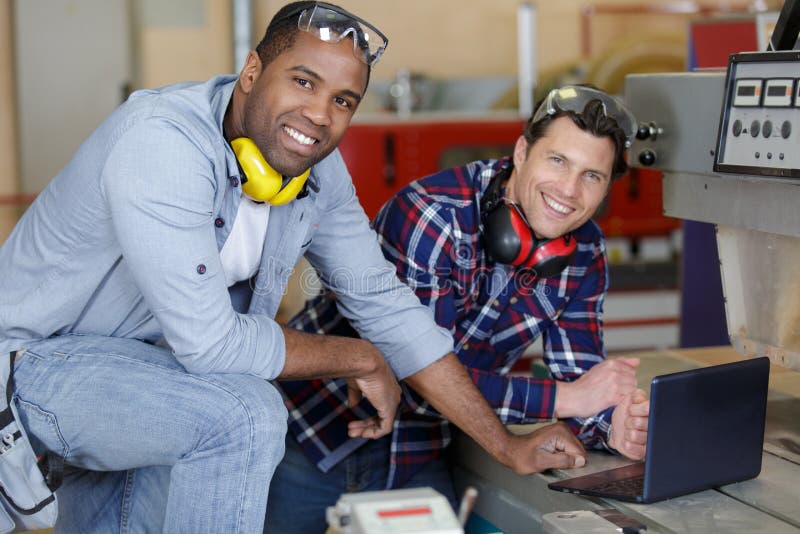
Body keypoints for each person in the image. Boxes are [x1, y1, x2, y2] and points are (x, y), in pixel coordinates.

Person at [0, 2, 587, 532]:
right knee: (245, 413)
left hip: (157, 381)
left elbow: (385, 306)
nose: (319, 114)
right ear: (251, 72)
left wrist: (505, 445)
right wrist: (359, 357)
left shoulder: (316, 174)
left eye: (343, 100)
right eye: (303, 81)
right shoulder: (163, 142)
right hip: (30, 370)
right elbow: (210, 345)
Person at [266, 85, 652, 531]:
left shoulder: (585, 251)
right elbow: (416, 375)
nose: (568, 189)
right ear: (522, 152)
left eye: (592, 176)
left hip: (419, 451)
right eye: (558, 160)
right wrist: (565, 399)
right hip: (312, 433)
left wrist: (613, 423)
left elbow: (582, 377)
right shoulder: (433, 214)